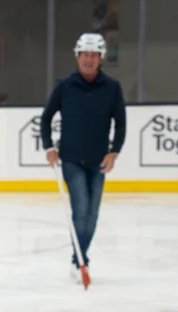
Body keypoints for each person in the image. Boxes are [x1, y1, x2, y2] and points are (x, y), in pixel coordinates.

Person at [40, 32, 126, 279]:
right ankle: (80, 262)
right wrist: (49, 147)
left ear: (101, 58)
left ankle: (78, 259)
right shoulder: (64, 86)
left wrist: (114, 152)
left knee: (92, 215)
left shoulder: (112, 88)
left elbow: (120, 123)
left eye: (94, 55)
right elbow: (46, 118)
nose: (89, 60)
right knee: (81, 210)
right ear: (77, 57)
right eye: (85, 55)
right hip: (71, 159)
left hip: (99, 161)